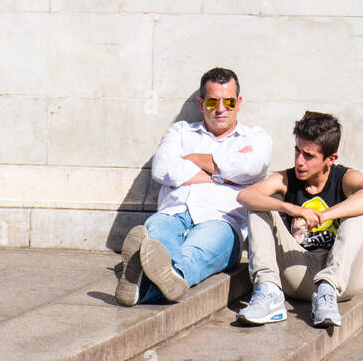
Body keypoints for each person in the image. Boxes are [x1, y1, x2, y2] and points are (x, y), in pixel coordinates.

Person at [115, 67, 272, 305]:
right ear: (201, 104)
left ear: (239, 102)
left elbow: (250, 168)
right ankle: (160, 281)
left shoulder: (255, 138)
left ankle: (143, 285)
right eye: (212, 103)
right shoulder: (180, 131)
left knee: (194, 253)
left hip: (222, 221)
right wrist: (225, 174)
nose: (221, 109)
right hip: (172, 213)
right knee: (156, 234)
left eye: (229, 101)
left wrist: (193, 159)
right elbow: (161, 169)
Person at [236, 110, 363, 328]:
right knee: (259, 204)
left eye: (309, 156)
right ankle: (268, 291)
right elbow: (244, 196)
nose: (299, 161)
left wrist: (325, 215)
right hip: (296, 273)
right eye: (297, 151)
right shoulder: (287, 178)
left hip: (338, 281)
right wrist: (290, 207)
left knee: (359, 208)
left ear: (330, 160)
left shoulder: (344, 177)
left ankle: (326, 292)